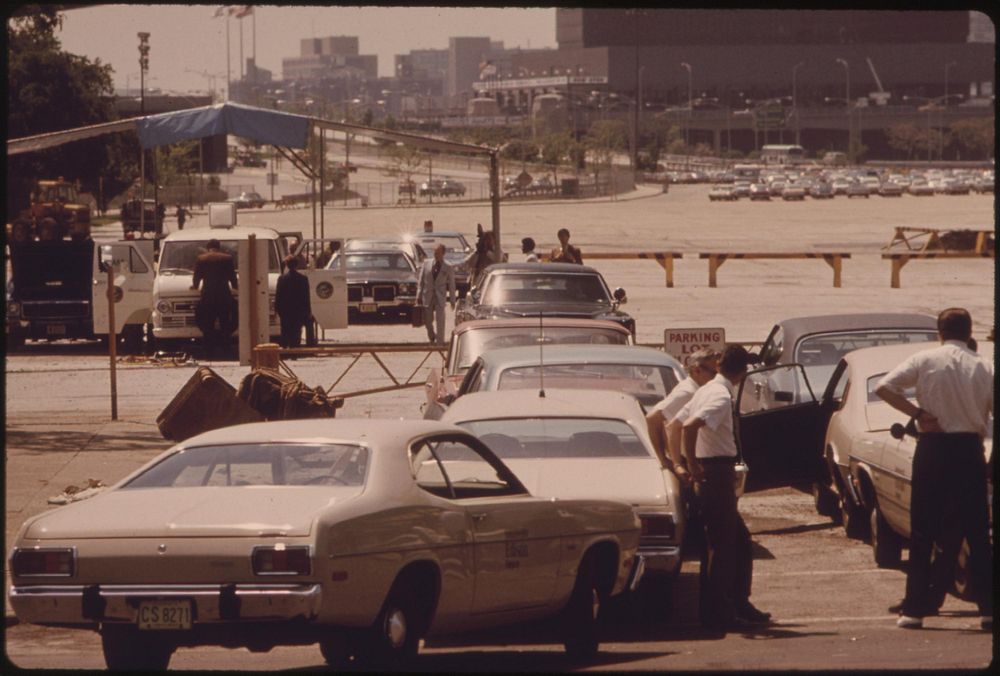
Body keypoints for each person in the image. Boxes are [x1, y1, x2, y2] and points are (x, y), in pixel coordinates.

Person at [875, 308, 992, 630]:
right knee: (978, 532)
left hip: (934, 447)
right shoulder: (984, 365)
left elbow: (885, 387)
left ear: (940, 333)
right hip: (969, 448)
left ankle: (914, 609)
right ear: (970, 334)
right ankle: (988, 609)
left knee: (923, 530)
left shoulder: (926, 359)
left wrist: (917, 413)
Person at [679, 345, 771, 630]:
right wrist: (692, 465)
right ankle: (719, 613)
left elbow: (674, 424)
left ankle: (736, 602)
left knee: (739, 542)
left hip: (717, 470)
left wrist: (682, 461)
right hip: (715, 472)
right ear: (742, 372)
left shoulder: (706, 389)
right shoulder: (718, 395)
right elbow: (689, 426)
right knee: (722, 546)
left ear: (720, 364)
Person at [190, 238, 237, 359]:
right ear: (219, 247)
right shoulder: (227, 258)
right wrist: (235, 286)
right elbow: (232, 276)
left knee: (208, 325)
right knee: (225, 323)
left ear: (208, 247)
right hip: (223, 295)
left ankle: (208, 352)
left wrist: (195, 286)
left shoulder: (202, 259)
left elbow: (197, 277)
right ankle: (226, 350)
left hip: (208, 296)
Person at [416, 244, 457, 345]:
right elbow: (421, 282)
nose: (436, 255)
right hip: (428, 295)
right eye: (435, 252)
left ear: (443, 254)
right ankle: (432, 336)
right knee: (428, 320)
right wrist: (418, 296)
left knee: (440, 320)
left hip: (440, 296)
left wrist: (452, 300)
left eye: (438, 253)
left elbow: (451, 284)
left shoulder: (448, 266)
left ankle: (440, 342)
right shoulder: (426, 264)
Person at [275, 254, 312, 350]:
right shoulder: (303, 279)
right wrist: (308, 311)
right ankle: (295, 350)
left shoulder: (282, 279)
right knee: (296, 331)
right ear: (297, 265)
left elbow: (278, 295)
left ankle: (285, 351)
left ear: (287, 265)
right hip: (298, 310)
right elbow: (306, 297)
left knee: (285, 331)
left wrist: (277, 309)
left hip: (285, 310)